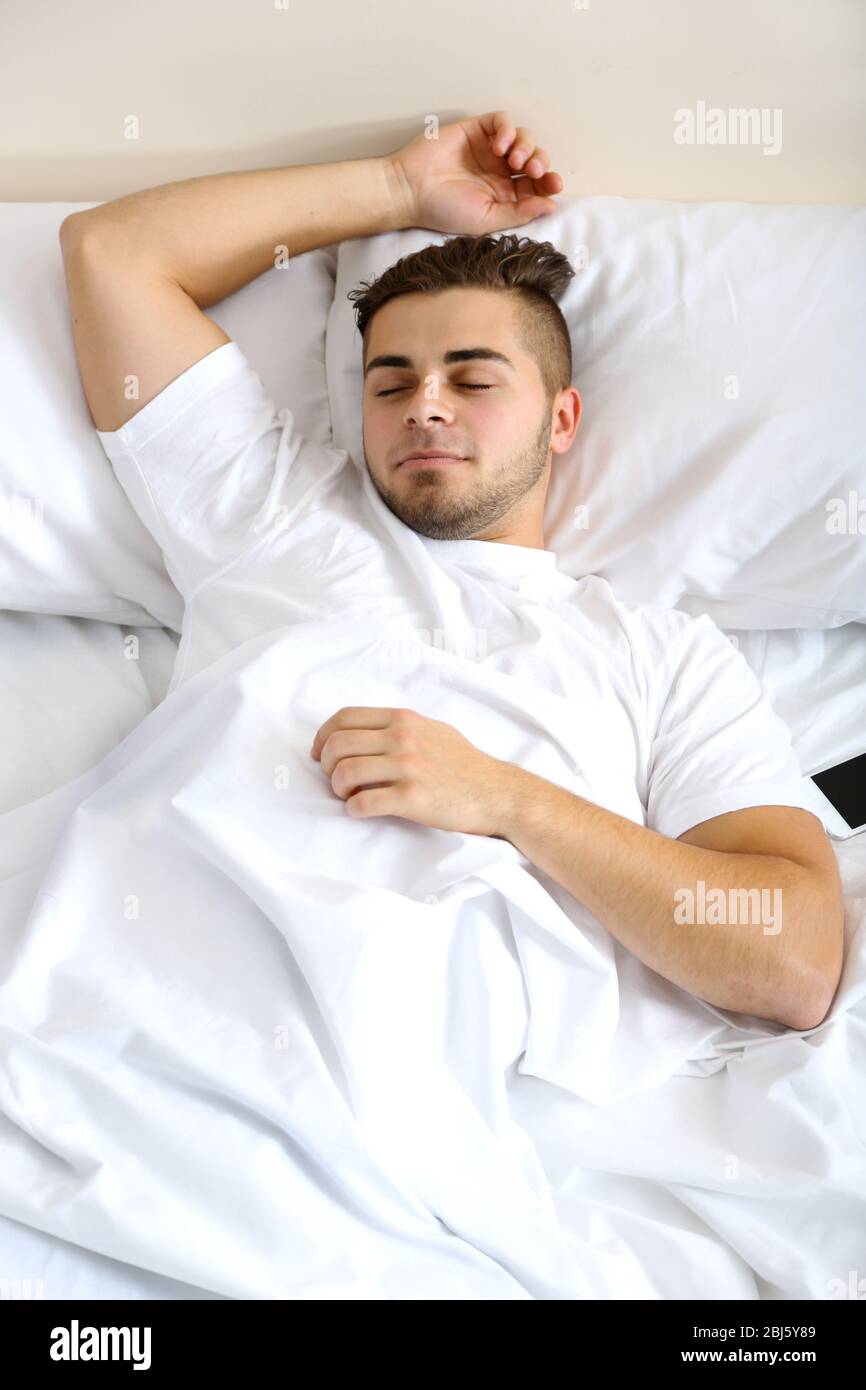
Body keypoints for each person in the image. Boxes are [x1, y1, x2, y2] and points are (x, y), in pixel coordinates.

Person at [59, 109, 843, 1031]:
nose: (424, 407)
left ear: (561, 421)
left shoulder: (659, 661)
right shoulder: (272, 517)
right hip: (138, 1002)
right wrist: (395, 188)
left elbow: (791, 962)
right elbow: (111, 253)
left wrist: (505, 799)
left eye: (472, 380)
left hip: (407, 1073)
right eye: (389, 384)